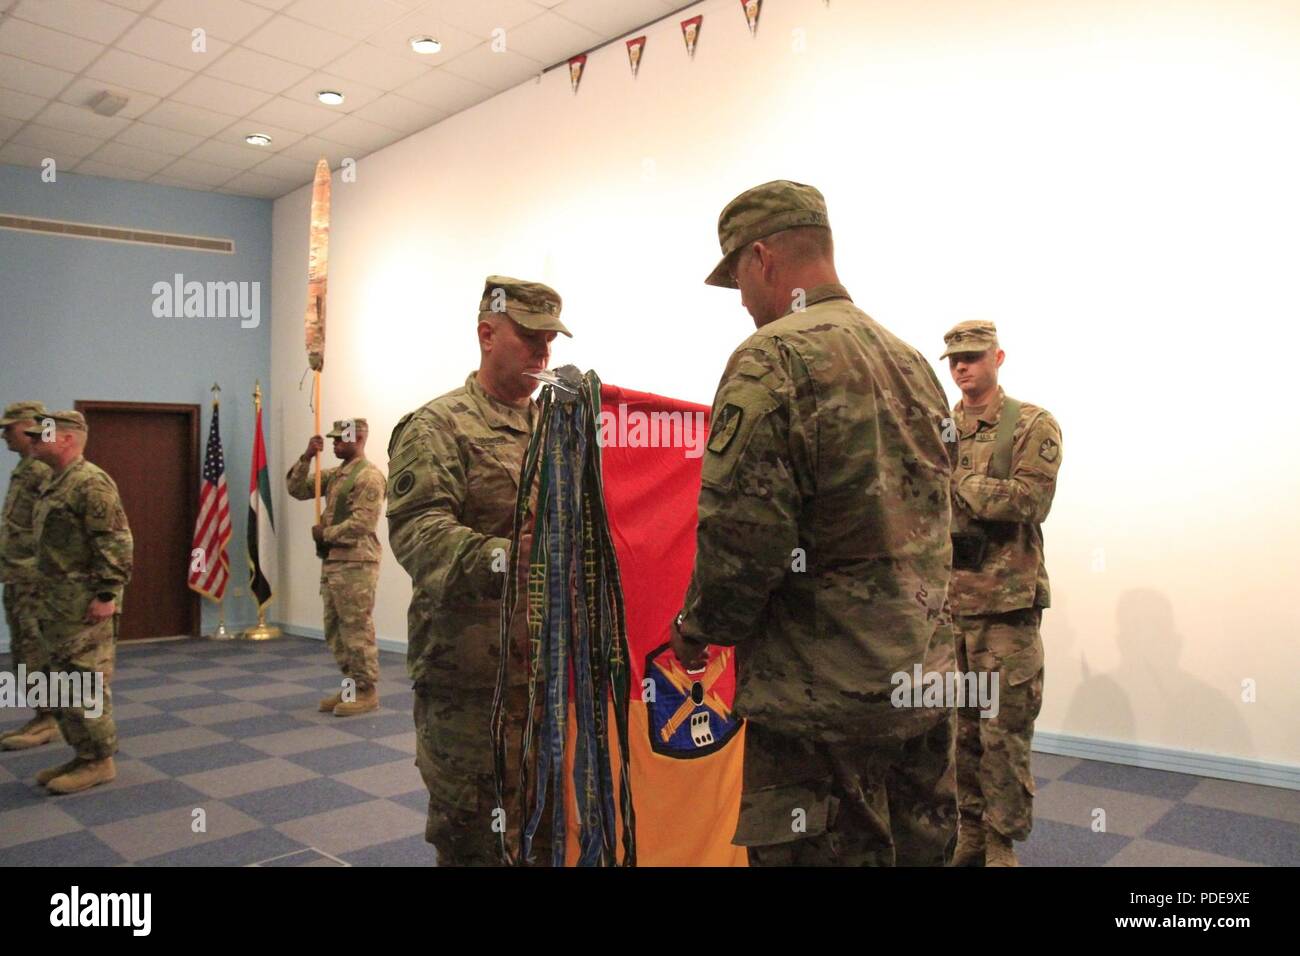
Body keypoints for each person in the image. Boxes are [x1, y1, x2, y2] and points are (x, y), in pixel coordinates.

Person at [671, 181, 958, 866]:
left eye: (738, 279)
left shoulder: (772, 357)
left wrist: (697, 629)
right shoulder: (912, 362)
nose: (742, 300)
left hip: (821, 709)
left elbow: (743, 542)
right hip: (922, 686)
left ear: (762, 258)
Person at [386, 276, 570, 865]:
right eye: (530, 337)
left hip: (549, 676)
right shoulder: (438, 426)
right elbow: (418, 533)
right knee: (478, 839)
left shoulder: (558, 429)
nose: (543, 352)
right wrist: (507, 558)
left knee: (548, 833)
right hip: (473, 683)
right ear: (487, 335)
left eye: (550, 340)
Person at [942, 320, 1062, 867]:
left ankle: (1000, 844)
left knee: (1004, 735)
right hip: (950, 608)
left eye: (972, 356)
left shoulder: (1030, 424)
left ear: (998, 357)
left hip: (1006, 612)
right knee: (959, 734)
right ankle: (969, 832)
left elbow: (1029, 501)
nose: (962, 366)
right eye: (954, 359)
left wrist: (958, 484)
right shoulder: (939, 428)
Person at [26, 411, 133, 794]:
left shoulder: (91, 483)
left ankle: (100, 761)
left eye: (41, 435)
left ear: (68, 438)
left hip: (84, 604)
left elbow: (116, 543)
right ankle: (82, 753)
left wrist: (106, 594)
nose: (32, 441)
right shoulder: (54, 482)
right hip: (55, 605)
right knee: (61, 682)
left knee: (85, 682)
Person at [287, 418, 386, 717]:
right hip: (334, 562)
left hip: (356, 564)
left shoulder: (368, 476)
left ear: (358, 438)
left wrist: (325, 533)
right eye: (333, 439)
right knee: (336, 630)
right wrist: (307, 456)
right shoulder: (336, 475)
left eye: (341, 439)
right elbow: (297, 489)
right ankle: (350, 688)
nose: (335, 444)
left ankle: (366, 691)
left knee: (356, 630)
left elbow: (362, 524)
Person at [0, 401, 56, 750]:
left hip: (35, 579)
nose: (4, 434)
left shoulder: (41, 469)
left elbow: (52, 527)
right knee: (23, 649)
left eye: (9, 428)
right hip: (17, 575)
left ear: (29, 426)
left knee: (37, 648)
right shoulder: (25, 467)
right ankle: (41, 714)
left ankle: (51, 718)